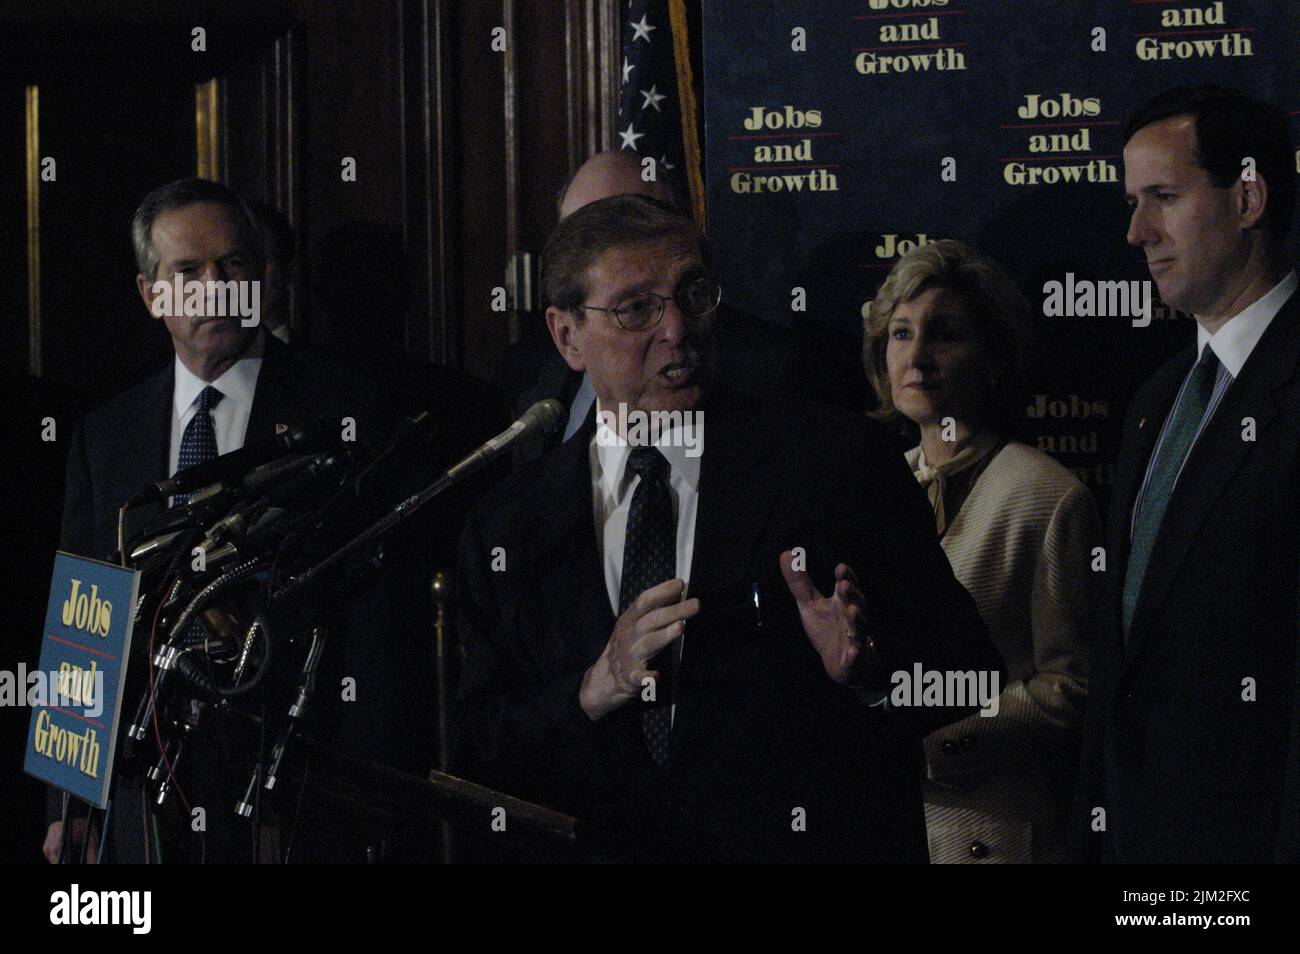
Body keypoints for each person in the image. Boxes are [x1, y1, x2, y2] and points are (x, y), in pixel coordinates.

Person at [453, 194, 1002, 862]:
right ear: (567, 336)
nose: (677, 330)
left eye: (693, 294)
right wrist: (594, 690)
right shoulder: (510, 523)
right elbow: (478, 746)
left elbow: (972, 669)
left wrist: (872, 669)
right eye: (636, 308)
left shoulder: (835, 462)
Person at [44, 178, 407, 863]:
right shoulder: (109, 432)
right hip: (146, 793)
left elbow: (375, 627)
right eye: (188, 271)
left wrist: (364, 803)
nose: (216, 287)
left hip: (294, 795)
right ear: (153, 295)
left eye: (234, 265)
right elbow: (83, 618)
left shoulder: (347, 410)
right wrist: (70, 802)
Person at [1077, 85, 1300, 863]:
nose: (1137, 232)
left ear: (1248, 197)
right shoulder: (1158, 399)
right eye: (1135, 202)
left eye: (1163, 198)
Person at [863, 239, 1099, 863]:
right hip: (882, 822)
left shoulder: (1047, 495)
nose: (916, 357)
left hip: (990, 831)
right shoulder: (870, 488)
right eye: (901, 333)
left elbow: (1072, 685)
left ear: (994, 357)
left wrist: (940, 741)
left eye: (943, 335)